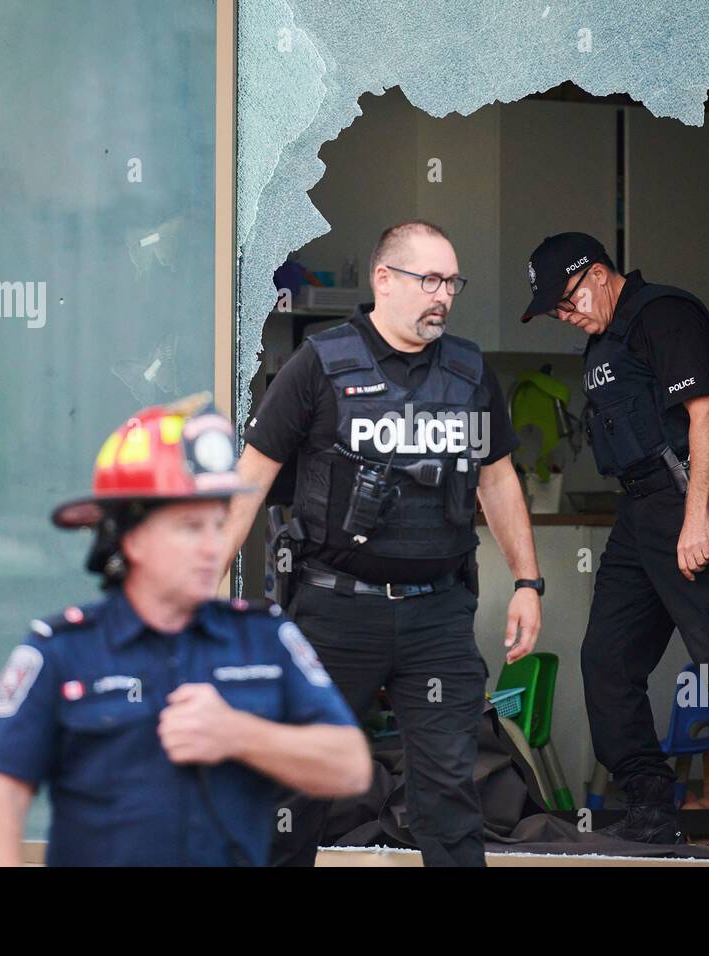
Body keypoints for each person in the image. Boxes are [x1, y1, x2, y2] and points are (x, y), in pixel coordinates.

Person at [220, 220, 543, 866]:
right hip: (335, 612)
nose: (443, 296)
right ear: (384, 281)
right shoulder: (321, 363)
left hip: (438, 616)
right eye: (430, 280)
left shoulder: (469, 371)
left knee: (450, 794)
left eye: (452, 282)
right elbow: (251, 477)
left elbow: (497, 479)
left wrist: (528, 582)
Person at [0, 395, 372, 866]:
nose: (211, 546)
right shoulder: (61, 652)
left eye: (217, 525)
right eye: (189, 527)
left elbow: (349, 767)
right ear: (132, 539)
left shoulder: (265, 639)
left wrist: (237, 734)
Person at [519, 232, 709, 853]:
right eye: (556, 310)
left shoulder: (664, 314)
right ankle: (650, 806)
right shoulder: (603, 338)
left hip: (688, 496)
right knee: (607, 657)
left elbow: (708, 414)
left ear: (599, 275)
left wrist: (696, 517)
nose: (567, 315)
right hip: (639, 510)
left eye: (569, 299)